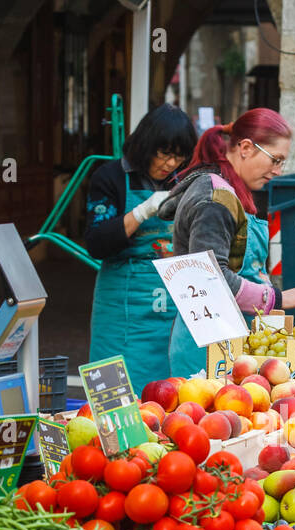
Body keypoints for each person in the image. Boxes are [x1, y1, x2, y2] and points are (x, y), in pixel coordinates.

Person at [159, 108, 295, 377]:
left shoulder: (229, 191)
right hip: (207, 350)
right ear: (246, 148)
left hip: (226, 343)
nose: (278, 171)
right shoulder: (215, 200)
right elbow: (211, 279)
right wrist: (279, 297)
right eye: (276, 160)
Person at [83, 104, 198, 390]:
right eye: (165, 153)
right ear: (146, 145)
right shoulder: (109, 178)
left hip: (174, 301)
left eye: (179, 156)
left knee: (171, 391)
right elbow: (97, 242)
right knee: (117, 390)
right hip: (123, 306)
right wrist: (142, 211)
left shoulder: (185, 181)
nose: (171, 164)